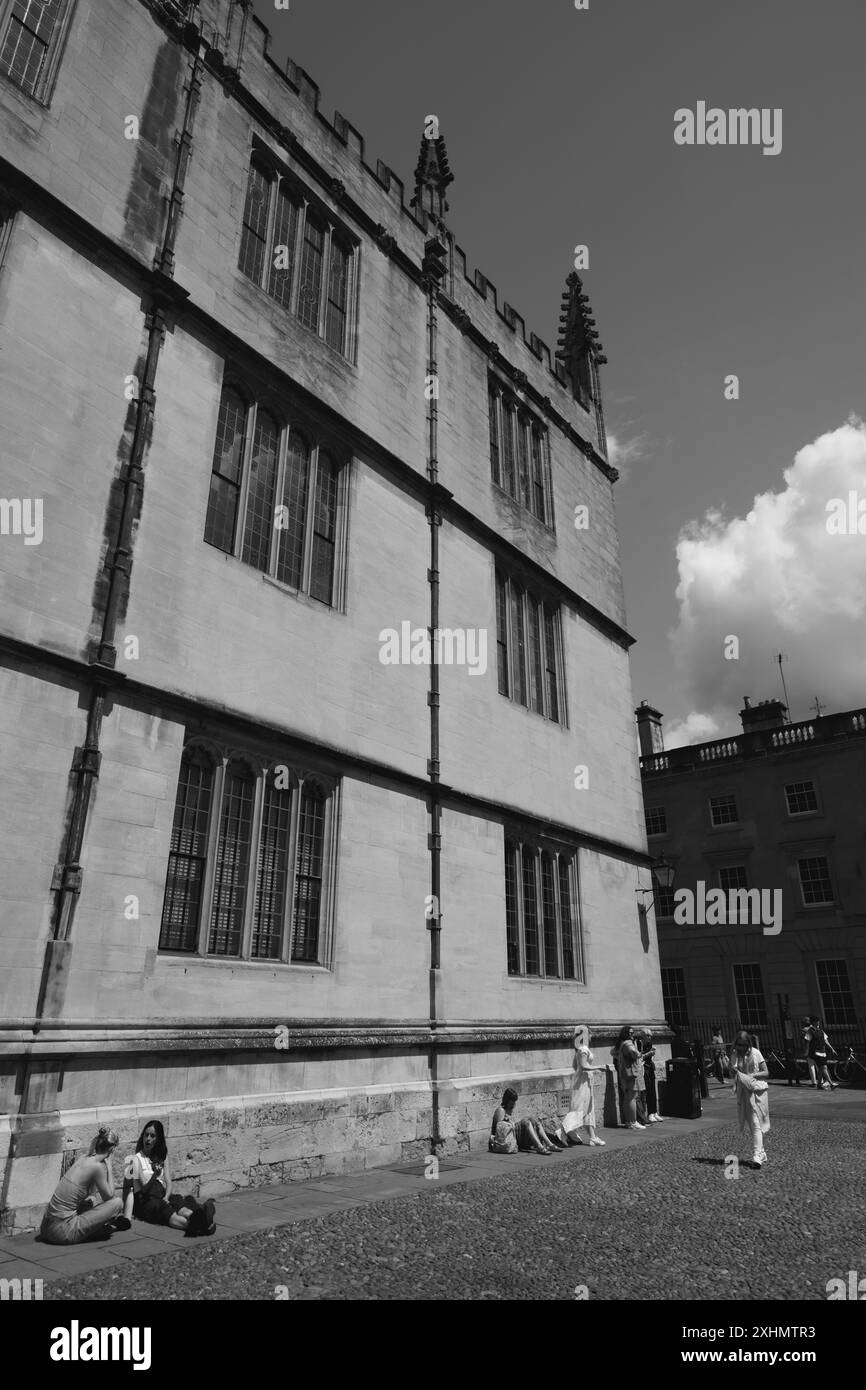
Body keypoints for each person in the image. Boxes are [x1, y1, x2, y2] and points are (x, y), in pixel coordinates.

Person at [123, 1120, 216, 1235]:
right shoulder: (134, 1159)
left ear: (158, 1139)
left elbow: (168, 1182)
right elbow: (144, 1190)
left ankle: (200, 1217)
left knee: (178, 1202)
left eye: (152, 1136)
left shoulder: (162, 1155)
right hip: (146, 1200)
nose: (148, 1139)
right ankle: (199, 1226)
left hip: (161, 1194)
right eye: (146, 1135)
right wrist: (154, 1176)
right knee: (165, 1210)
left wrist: (166, 1197)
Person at [40, 1126, 129, 1245]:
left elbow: (90, 1195)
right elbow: (109, 1196)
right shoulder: (97, 1166)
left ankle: (101, 1228)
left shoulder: (84, 1158)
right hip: (60, 1232)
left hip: (46, 1226)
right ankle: (104, 1229)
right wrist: (109, 1167)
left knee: (91, 1201)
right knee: (117, 1203)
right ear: (112, 1149)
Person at [730, 1030, 770, 1167]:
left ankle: (757, 1156)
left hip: (757, 1091)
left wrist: (753, 1075)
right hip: (744, 1092)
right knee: (752, 1123)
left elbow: (766, 1072)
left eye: (743, 1045)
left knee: (755, 1122)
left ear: (748, 1043)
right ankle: (762, 1153)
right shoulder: (735, 1054)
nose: (741, 1047)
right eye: (739, 1044)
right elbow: (732, 1073)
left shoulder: (756, 1053)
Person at [563, 1031, 606, 1145]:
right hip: (582, 1082)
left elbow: (575, 1066)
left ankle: (592, 1137)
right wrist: (598, 1067)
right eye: (590, 1034)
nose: (591, 1036)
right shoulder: (583, 1049)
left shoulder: (580, 1049)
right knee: (579, 1108)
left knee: (587, 1108)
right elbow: (583, 1065)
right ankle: (564, 1131)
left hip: (584, 1081)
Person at [488, 1088, 558, 1155]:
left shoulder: (509, 1108)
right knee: (525, 1122)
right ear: (507, 1100)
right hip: (507, 1139)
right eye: (512, 1101)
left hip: (514, 1134)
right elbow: (500, 1131)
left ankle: (549, 1144)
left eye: (514, 1101)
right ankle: (539, 1147)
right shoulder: (500, 1110)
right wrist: (508, 1121)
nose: (513, 1103)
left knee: (534, 1120)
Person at [613, 1025, 645, 1131]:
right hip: (631, 1074)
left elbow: (613, 1052)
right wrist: (639, 1053)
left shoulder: (621, 1043)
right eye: (630, 1033)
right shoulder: (628, 1043)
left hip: (624, 1073)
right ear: (626, 1034)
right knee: (632, 1098)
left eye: (633, 1033)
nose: (632, 1035)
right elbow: (635, 1054)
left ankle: (628, 1121)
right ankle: (633, 1121)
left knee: (627, 1098)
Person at [635, 1030, 662, 1123]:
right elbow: (639, 1058)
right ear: (643, 1036)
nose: (649, 1038)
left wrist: (651, 1054)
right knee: (648, 1090)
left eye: (650, 1036)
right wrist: (648, 1054)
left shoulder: (649, 1044)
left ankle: (654, 1111)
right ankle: (649, 1113)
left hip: (650, 1068)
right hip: (644, 1069)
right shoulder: (639, 1044)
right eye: (648, 1036)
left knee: (653, 1090)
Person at [805, 1017, 838, 1090]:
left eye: (818, 1021)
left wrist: (832, 1049)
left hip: (823, 1052)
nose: (818, 1022)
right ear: (813, 1022)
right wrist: (806, 1052)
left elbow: (826, 1041)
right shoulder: (810, 1031)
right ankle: (831, 1084)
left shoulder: (821, 1030)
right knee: (824, 1067)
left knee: (820, 1069)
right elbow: (807, 1042)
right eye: (816, 1021)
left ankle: (819, 1084)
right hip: (816, 1052)